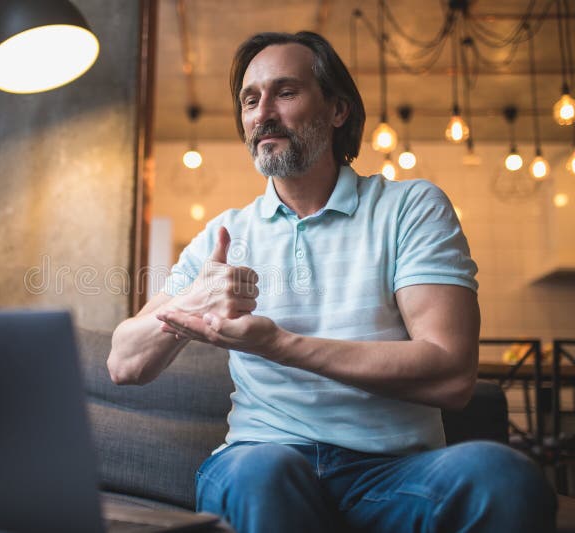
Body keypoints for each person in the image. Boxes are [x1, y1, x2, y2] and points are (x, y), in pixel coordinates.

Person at [107, 31, 556, 533]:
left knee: (504, 476)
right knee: (263, 473)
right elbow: (125, 362)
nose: (263, 113)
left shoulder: (410, 208)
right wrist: (196, 296)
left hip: (395, 472)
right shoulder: (224, 234)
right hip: (263, 457)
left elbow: (451, 373)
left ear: (337, 109)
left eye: (286, 92)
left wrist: (279, 344)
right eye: (250, 100)